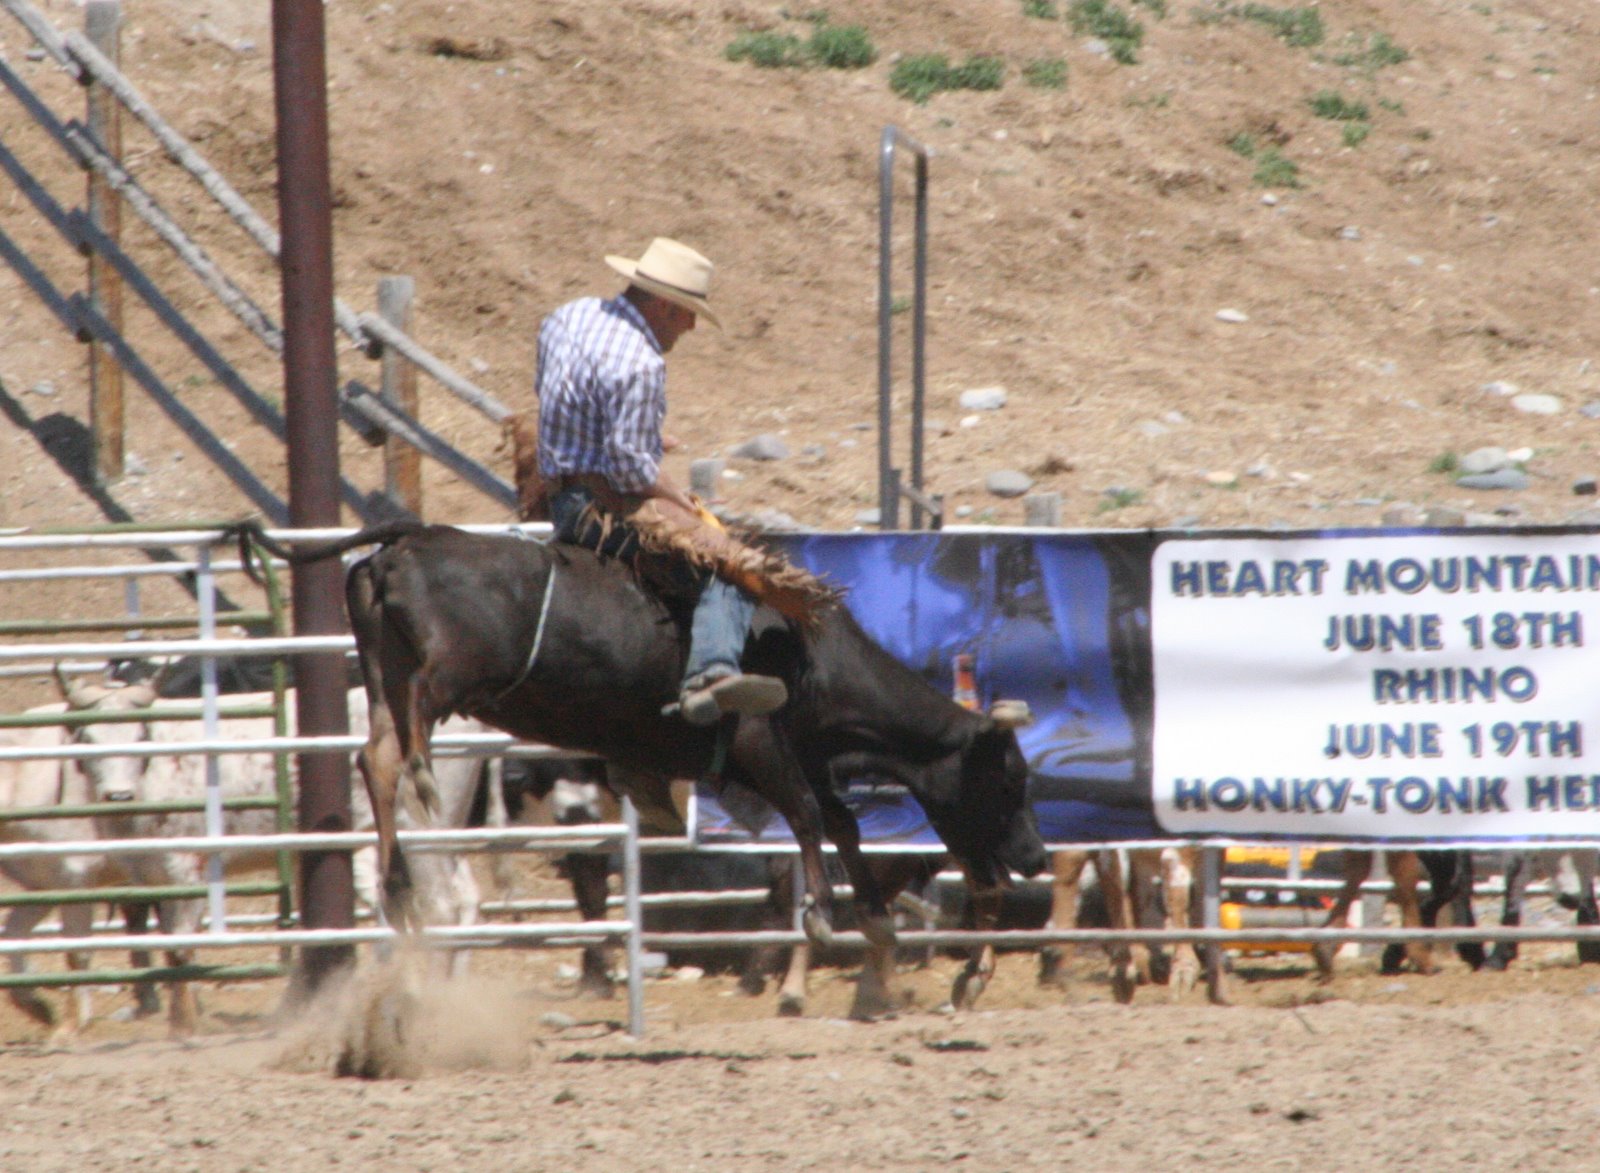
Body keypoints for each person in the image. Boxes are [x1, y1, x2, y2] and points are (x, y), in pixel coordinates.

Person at [536, 237, 789, 726]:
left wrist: (644, 438)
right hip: (599, 510)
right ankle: (710, 674)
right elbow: (630, 470)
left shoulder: (567, 317)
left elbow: (561, 403)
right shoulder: (641, 362)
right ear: (659, 304)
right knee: (730, 564)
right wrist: (684, 502)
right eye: (686, 312)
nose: (691, 324)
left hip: (558, 496)